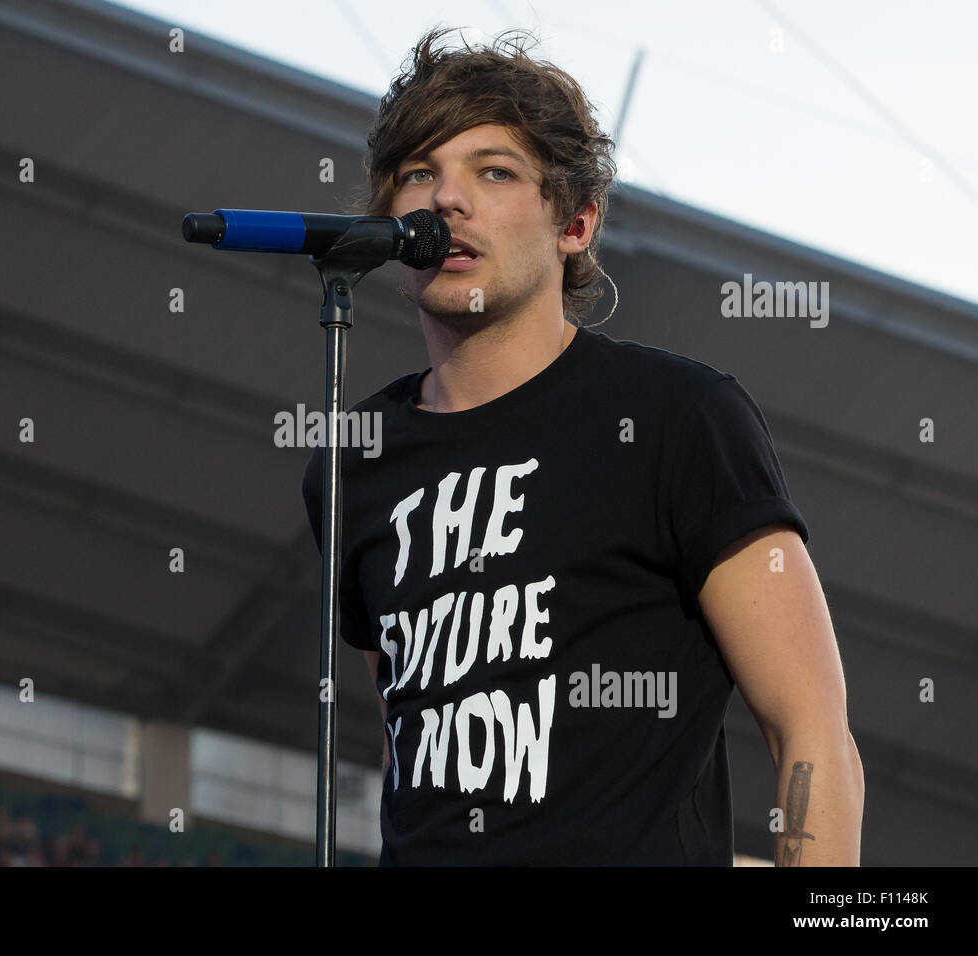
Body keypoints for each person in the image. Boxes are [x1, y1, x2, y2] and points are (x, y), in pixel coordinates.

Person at [301, 27, 863, 866]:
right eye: (420, 172)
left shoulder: (679, 416)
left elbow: (811, 730)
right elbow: (410, 732)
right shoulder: (354, 463)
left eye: (494, 172)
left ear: (577, 221)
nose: (446, 199)